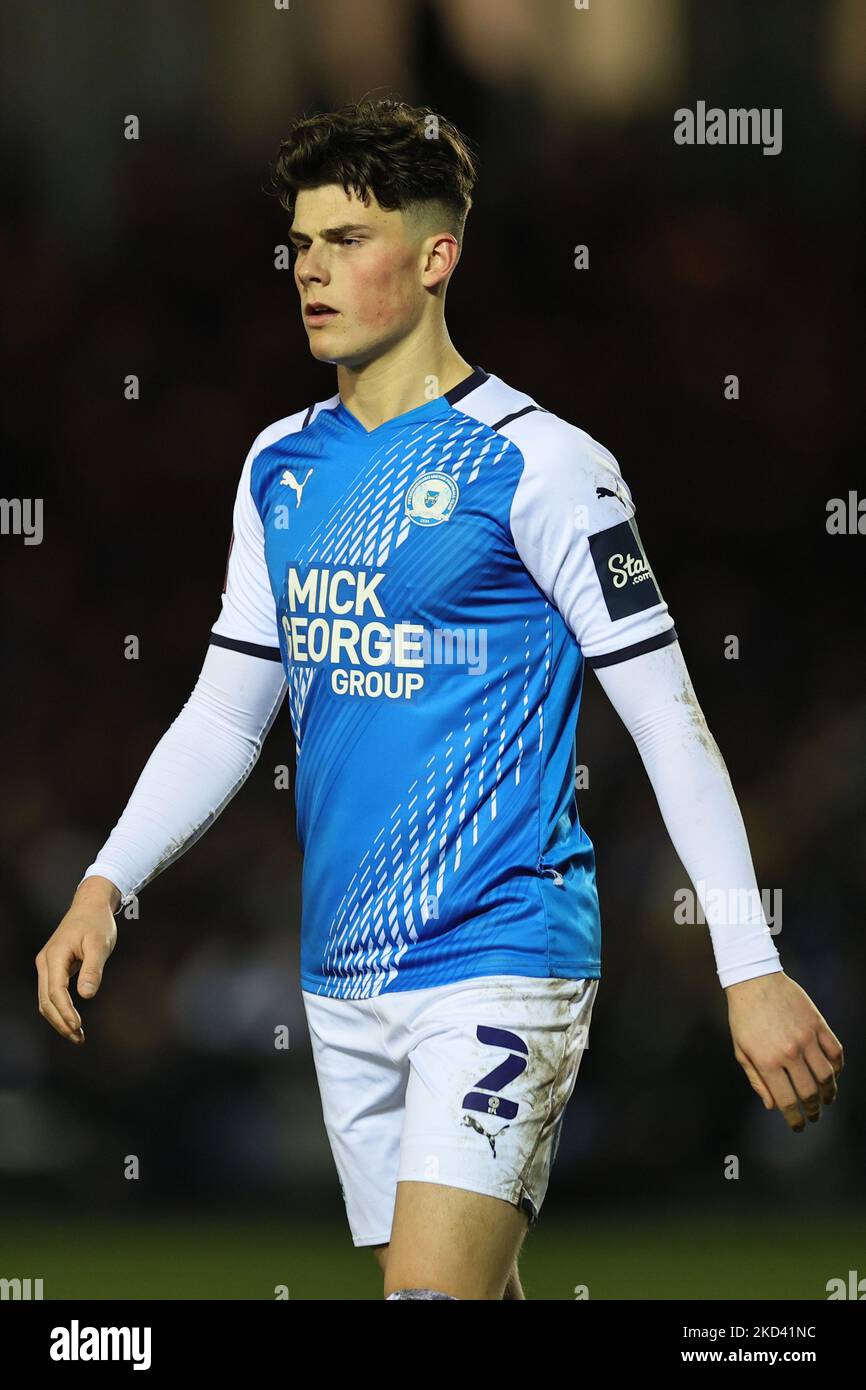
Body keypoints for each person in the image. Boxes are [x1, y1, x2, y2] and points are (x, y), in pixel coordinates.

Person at [36, 98, 843, 1301]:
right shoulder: (279, 465)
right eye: (300, 244)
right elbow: (224, 712)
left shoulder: (544, 466)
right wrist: (110, 878)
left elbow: (669, 721)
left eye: (348, 240)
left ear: (433, 257)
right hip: (344, 975)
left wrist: (747, 960)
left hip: (499, 951)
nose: (310, 269)